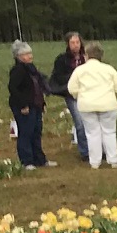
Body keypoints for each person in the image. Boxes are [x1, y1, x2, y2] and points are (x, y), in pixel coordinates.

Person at [66, 43, 117, 169]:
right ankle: (113, 160)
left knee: (92, 133)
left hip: (87, 105)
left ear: (86, 55)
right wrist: (113, 94)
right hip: (107, 104)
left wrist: (79, 96)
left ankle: (95, 162)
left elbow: (71, 88)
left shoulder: (80, 70)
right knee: (109, 132)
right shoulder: (108, 69)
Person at [8, 41, 52, 169]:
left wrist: (42, 103)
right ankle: (27, 161)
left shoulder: (32, 69)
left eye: (30, 53)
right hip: (24, 107)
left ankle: (39, 159)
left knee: (36, 132)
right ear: (19, 56)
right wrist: (23, 105)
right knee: (26, 133)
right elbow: (13, 88)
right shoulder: (18, 70)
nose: (30, 56)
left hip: (35, 105)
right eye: (26, 54)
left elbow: (37, 87)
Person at [47, 30, 88, 161]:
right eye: (72, 43)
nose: (75, 45)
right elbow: (58, 77)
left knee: (91, 123)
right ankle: (85, 152)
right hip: (72, 95)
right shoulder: (62, 60)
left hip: (88, 94)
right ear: (68, 44)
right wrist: (76, 76)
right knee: (80, 123)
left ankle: (97, 149)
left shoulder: (87, 58)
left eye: (77, 42)